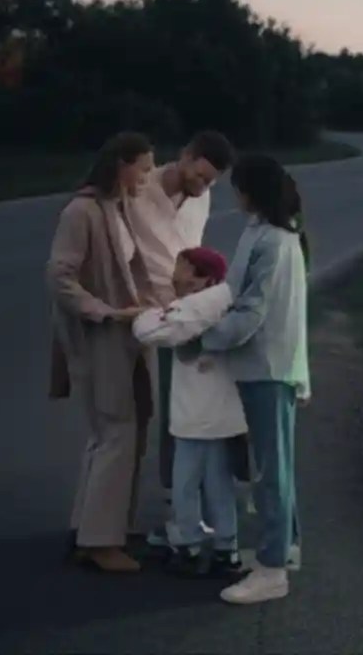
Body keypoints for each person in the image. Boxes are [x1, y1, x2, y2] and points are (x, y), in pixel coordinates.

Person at [196, 154, 310, 604]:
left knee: (269, 471)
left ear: (252, 191)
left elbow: (250, 312)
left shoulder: (274, 242)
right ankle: (285, 547)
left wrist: (202, 337)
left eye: (237, 186)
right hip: (264, 366)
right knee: (274, 465)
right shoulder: (265, 233)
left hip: (267, 368)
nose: (233, 194)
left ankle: (272, 569)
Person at [47, 131, 157, 573]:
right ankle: (99, 542)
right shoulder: (81, 212)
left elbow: (133, 269)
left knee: (122, 432)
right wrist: (105, 312)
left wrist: (152, 307)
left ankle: (95, 527)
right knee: (116, 433)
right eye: (144, 168)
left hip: (129, 334)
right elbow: (59, 277)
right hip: (102, 337)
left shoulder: (119, 207)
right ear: (121, 165)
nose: (147, 178)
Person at [125, 130, 235, 495]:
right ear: (185, 155)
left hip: (184, 317)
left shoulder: (201, 199)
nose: (203, 186)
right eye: (199, 176)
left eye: (211, 181)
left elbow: (195, 251)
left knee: (184, 414)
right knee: (132, 417)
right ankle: (116, 515)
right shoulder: (139, 189)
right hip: (140, 313)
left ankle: (179, 504)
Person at [132, 246, 246, 577]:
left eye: (182, 266)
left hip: (194, 419)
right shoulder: (225, 309)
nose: (174, 271)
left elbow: (151, 330)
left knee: (185, 485)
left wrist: (143, 314)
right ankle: (227, 547)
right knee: (219, 485)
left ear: (202, 279)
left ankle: (190, 544)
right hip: (220, 417)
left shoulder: (193, 310)